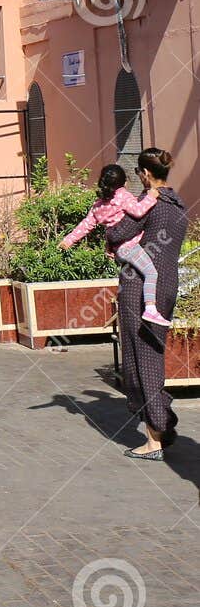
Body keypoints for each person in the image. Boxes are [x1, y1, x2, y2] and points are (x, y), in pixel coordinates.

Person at [108, 148, 188, 460]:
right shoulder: (177, 204)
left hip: (139, 289)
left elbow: (117, 231)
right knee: (152, 355)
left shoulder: (148, 204)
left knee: (140, 361)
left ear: (144, 173)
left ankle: (156, 435)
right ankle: (161, 424)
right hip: (166, 286)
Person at [61, 164, 170, 326]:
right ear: (124, 182)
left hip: (119, 250)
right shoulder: (123, 197)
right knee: (151, 273)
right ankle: (150, 309)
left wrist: (68, 240)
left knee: (137, 274)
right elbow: (139, 211)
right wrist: (151, 196)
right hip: (130, 247)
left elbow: (86, 225)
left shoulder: (98, 205)